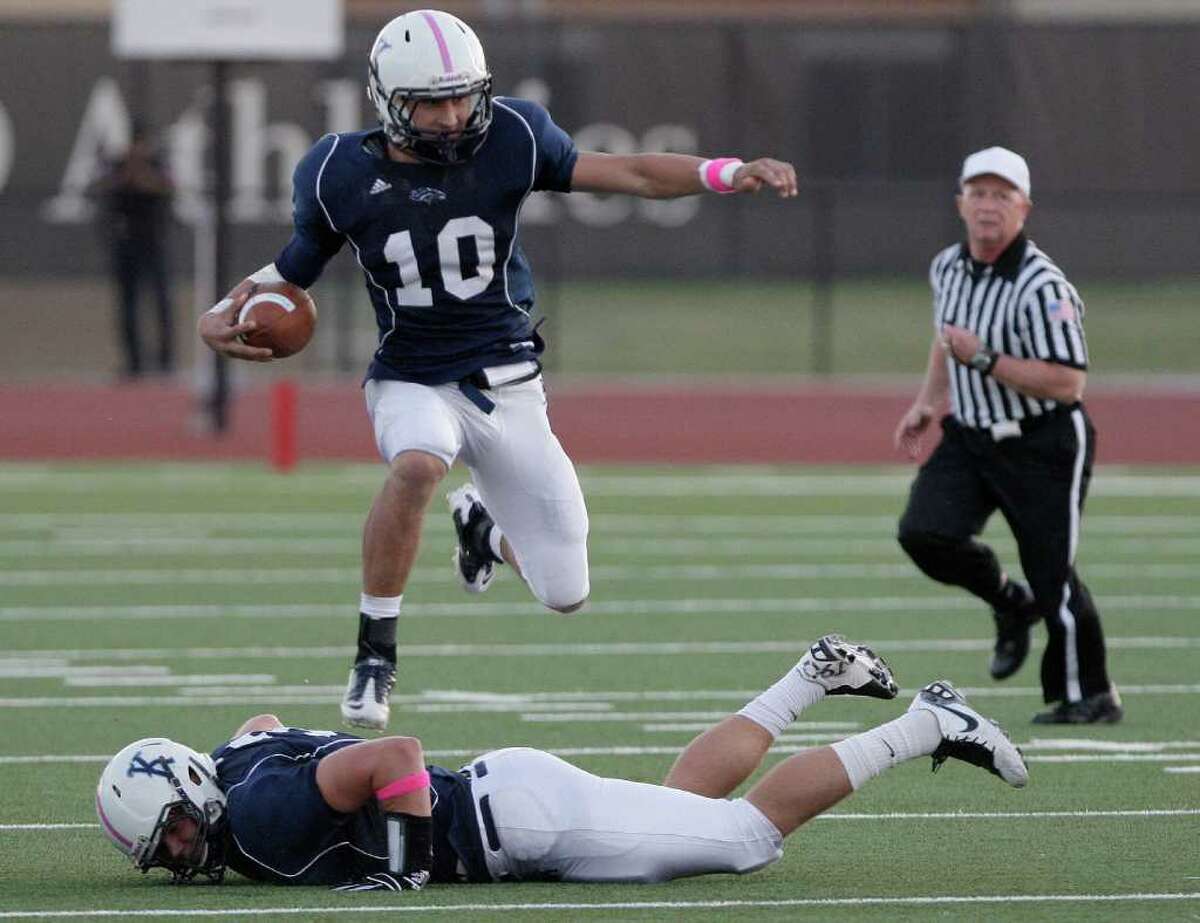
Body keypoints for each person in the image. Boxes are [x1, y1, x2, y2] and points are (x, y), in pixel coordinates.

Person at [197, 9, 798, 731]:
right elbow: (292, 270)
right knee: (419, 464)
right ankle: (374, 652)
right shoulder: (338, 171)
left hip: (510, 381)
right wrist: (220, 311)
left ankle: (481, 526)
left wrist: (726, 173)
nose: (453, 116)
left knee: (565, 591)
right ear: (388, 101)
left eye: (462, 96)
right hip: (412, 376)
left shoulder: (514, 135)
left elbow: (630, 170)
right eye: (432, 101)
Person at [94, 634, 1027, 889]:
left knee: (746, 839)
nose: (180, 851)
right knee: (676, 807)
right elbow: (260, 721)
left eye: (173, 830)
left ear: (189, 788)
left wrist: (406, 871)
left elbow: (397, 753)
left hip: (515, 825)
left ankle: (923, 725)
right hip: (516, 797)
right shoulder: (234, 761)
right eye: (163, 851)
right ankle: (806, 678)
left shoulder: (254, 817)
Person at [893, 146, 1120, 725]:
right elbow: (947, 339)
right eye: (979, 193)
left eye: (1002, 195)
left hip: (1041, 443)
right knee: (924, 533)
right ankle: (1007, 603)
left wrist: (988, 358)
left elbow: (1068, 382)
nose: (989, 206)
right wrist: (927, 401)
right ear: (960, 203)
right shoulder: (947, 265)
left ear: (1024, 209)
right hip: (970, 436)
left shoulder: (1043, 285)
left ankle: (1090, 695)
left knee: (1051, 571)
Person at [91, 124, 176, 380]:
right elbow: (103, 188)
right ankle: (133, 361)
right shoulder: (118, 166)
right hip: (126, 242)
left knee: (161, 303)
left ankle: (165, 360)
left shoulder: (158, 164)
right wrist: (127, 173)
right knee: (128, 304)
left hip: (153, 243)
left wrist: (142, 174)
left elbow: (166, 188)